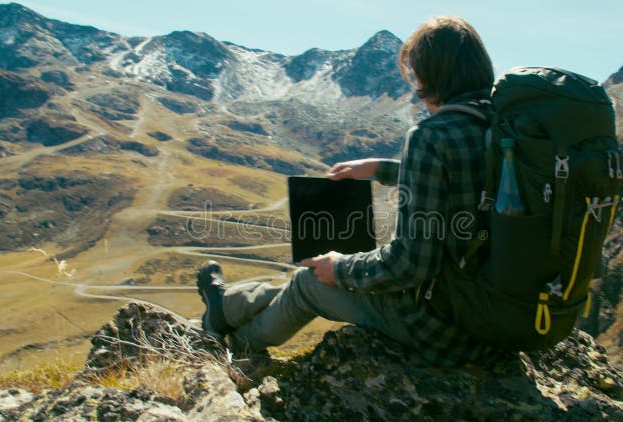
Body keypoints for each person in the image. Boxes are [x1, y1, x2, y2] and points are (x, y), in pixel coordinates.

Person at [197, 16, 497, 366]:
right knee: (323, 274)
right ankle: (226, 306)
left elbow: (409, 266)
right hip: (492, 324)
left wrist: (340, 268)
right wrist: (380, 168)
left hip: (441, 330)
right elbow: (460, 180)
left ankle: (231, 347)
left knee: (310, 281)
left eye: (416, 76)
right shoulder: (502, 128)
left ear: (431, 75)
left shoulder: (431, 136)